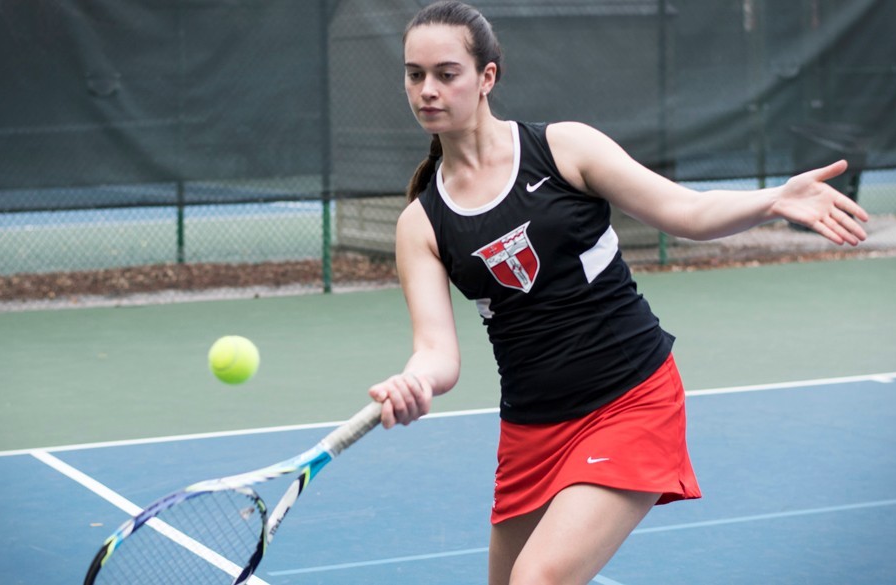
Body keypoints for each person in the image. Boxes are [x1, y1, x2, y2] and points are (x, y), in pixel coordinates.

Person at [367, 2, 869, 584]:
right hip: (531, 428)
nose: (427, 90)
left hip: (629, 400)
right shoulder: (421, 223)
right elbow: (436, 352)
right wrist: (415, 380)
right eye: (415, 74)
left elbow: (687, 211)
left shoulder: (564, 148)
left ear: (487, 77)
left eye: (446, 73)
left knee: (537, 579)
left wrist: (774, 199)